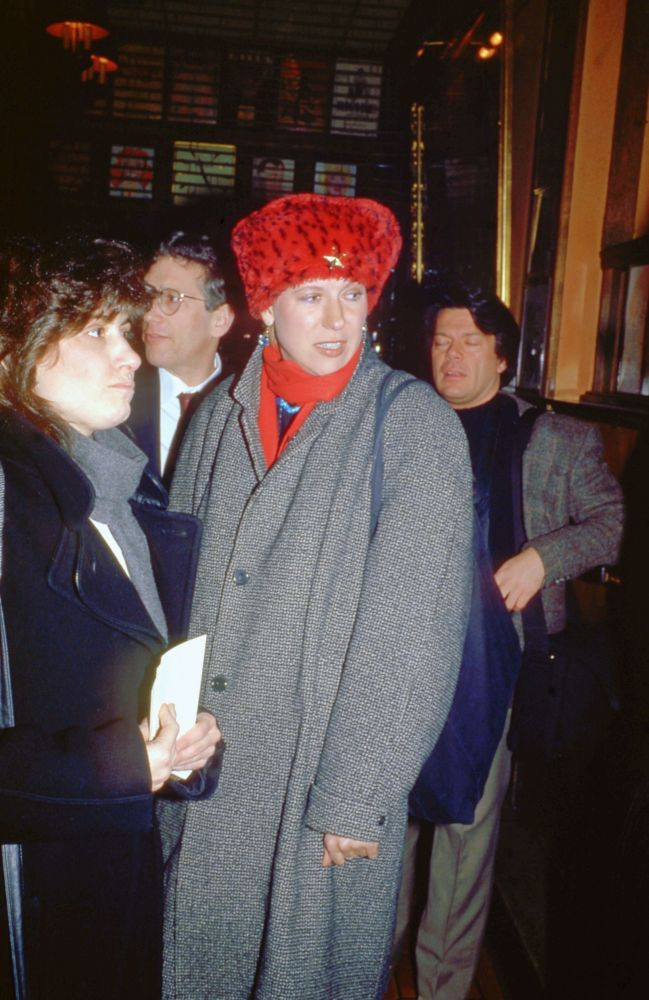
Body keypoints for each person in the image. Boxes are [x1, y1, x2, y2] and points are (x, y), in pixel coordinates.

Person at [157, 193, 474, 1000]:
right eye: (309, 294)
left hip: (316, 782)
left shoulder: (414, 427)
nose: (337, 319)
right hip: (206, 767)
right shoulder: (214, 417)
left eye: (353, 293)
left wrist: (356, 796)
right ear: (263, 305)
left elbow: (412, 635)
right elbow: (172, 595)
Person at [0, 236, 221, 1000]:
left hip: (112, 866)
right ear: (14, 344)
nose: (129, 355)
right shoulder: (10, 497)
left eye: (128, 333)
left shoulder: (116, 491)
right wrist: (129, 765)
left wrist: (179, 743)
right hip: (32, 895)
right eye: (96, 331)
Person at [395, 283, 624, 1000]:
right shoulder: (400, 426)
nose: (451, 354)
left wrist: (541, 558)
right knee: (383, 819)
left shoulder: (555, 438)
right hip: (398, 657)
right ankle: (367, 966)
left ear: (501, 353)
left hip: (490, 667)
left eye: (469, 340)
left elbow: (611, 522)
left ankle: (438, 988)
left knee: (466, 832)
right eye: (440, 339)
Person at [127, 230, 235, 484]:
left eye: (171, 298)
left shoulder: (246, 408)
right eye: (148, 295)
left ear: (219, 320)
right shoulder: (117, 395)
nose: (149, 314)